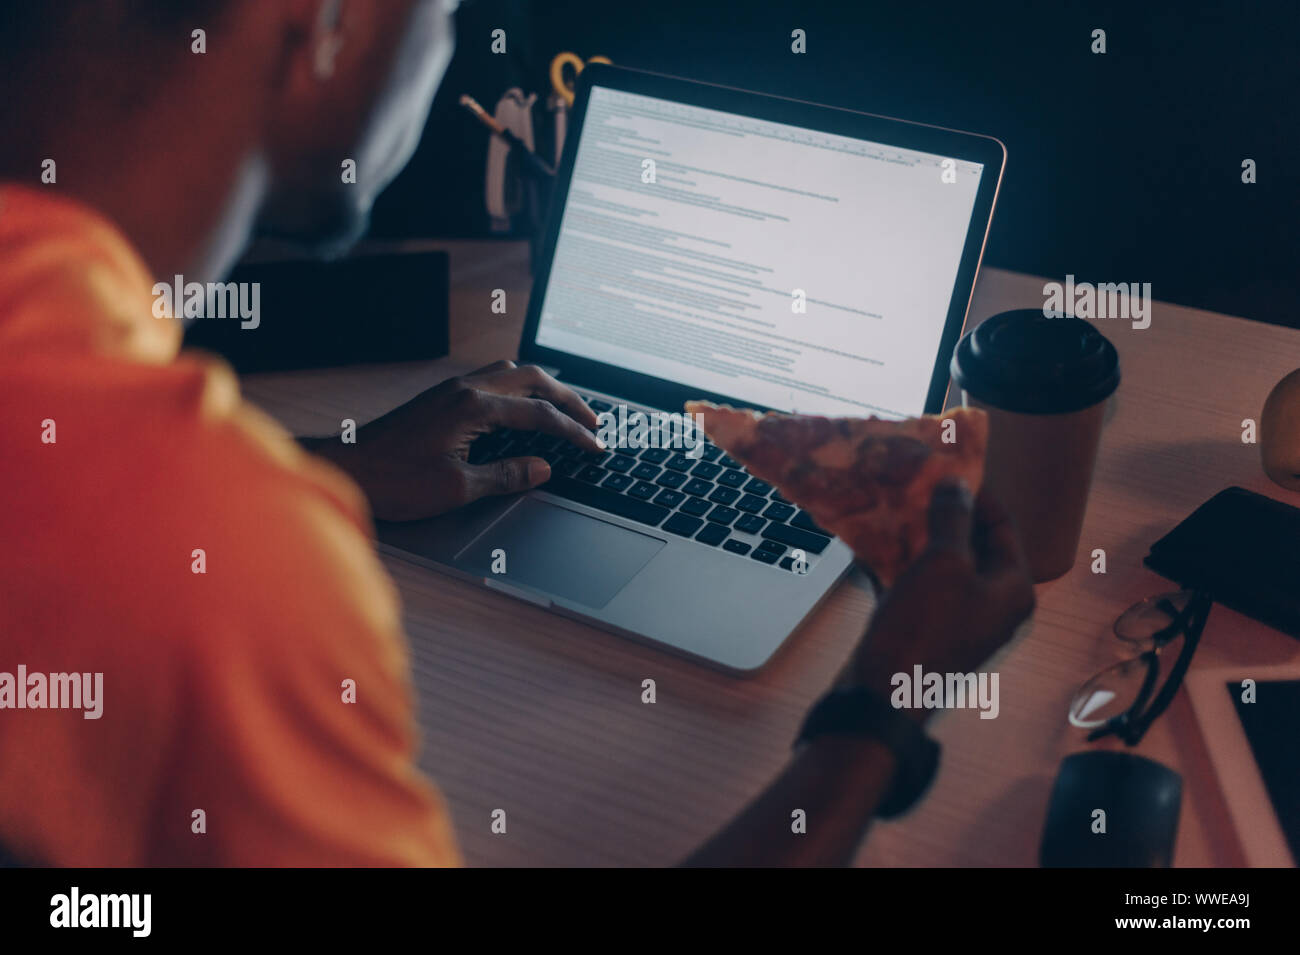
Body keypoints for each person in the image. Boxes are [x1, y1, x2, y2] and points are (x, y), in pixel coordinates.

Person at [0, 0, 1034, 867]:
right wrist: (877, 713)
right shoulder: (241, 559)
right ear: (325, 24)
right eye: (444, 10)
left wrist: (339, 467)